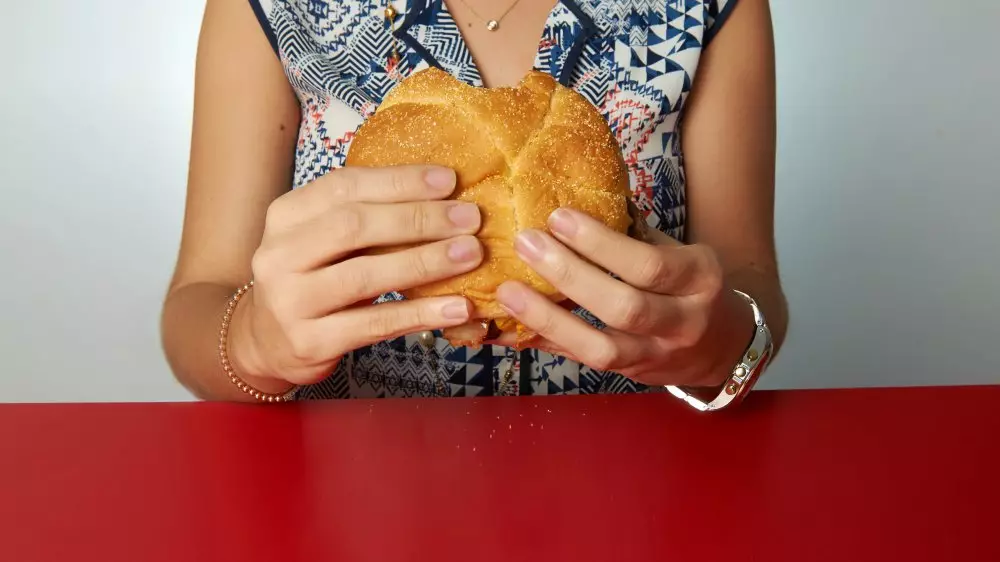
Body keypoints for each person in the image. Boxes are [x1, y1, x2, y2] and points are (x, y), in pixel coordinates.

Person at [161, 0, 788, 402]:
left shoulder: (710, 8)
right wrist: (253, 343)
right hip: (355, 494)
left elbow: (751, 282)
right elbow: (197, 302)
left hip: (632, 486)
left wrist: (722, 341)